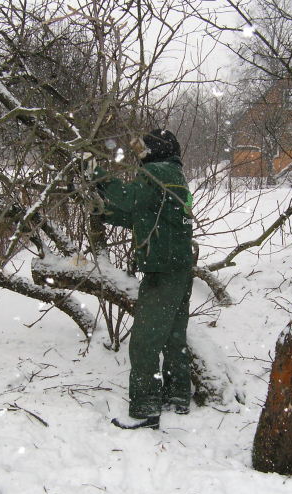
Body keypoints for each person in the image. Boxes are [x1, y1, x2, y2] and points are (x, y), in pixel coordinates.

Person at [94, 129, 194, 430]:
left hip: (163, 270)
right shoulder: (174, 174)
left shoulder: (157, 171)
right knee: (174, 338)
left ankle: (145, 407)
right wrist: (104, 210)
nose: (140, 157)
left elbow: (127, 199)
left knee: (144, 343)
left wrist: (95, 172)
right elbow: (141, 212)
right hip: (178, 267)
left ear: (155, 151)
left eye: (143, 151)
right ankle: (177, 395)